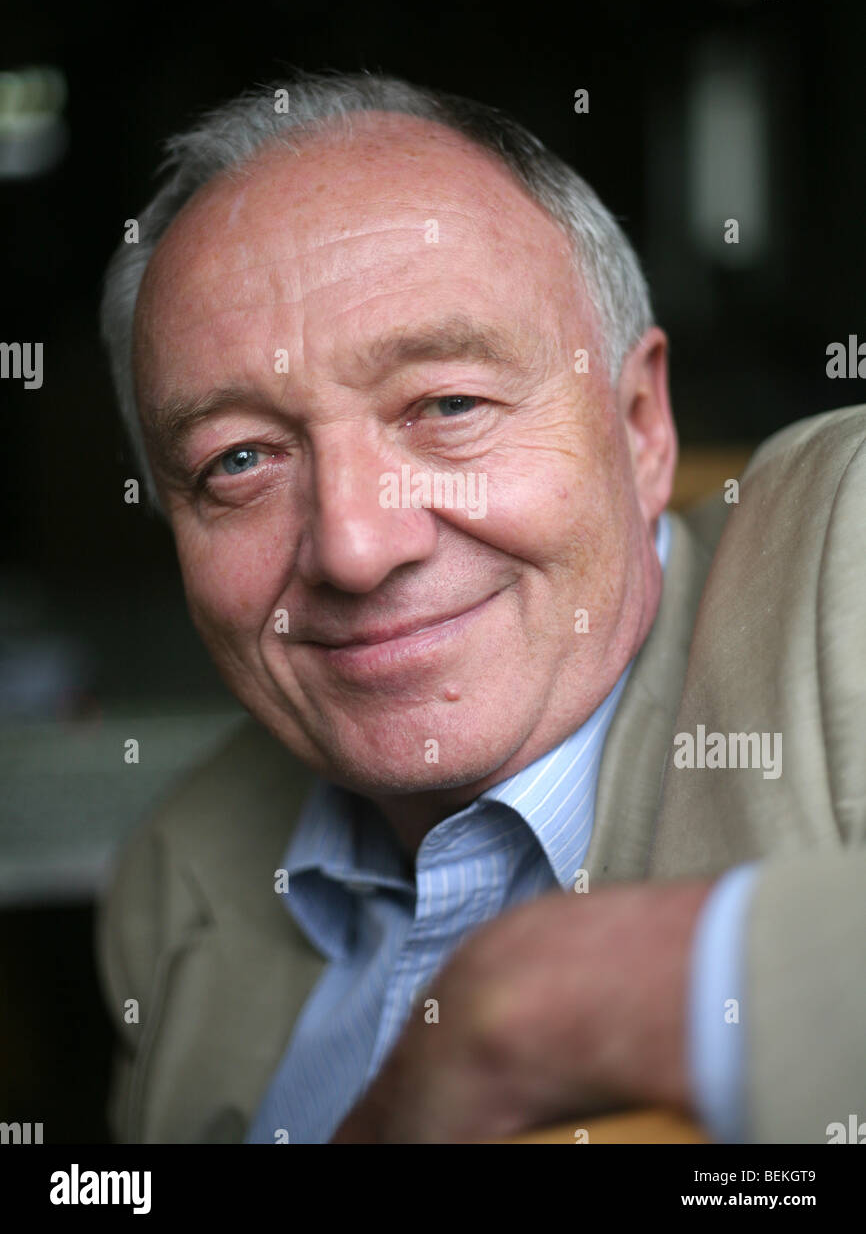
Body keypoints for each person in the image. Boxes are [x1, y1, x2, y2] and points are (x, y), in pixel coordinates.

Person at [96, 71, 866, 1144]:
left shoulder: (847, 540)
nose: (357, 548)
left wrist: (531, 1000)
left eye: (448, 404)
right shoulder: (179, 876)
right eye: (238, 460)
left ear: (639, 424)